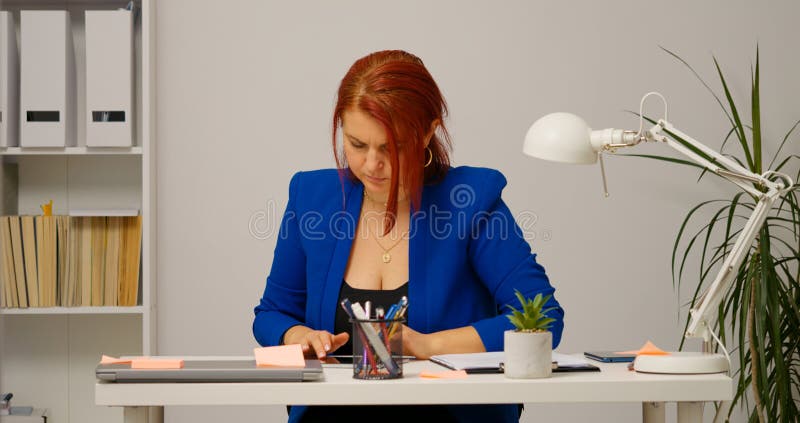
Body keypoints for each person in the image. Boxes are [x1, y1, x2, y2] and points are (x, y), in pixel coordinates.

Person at [253, 50, 564, 423]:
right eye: (356, 144)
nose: (372, 165)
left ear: (428, 132)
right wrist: (296, 335)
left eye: (392, 147)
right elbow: (271, 314)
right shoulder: (311, 198)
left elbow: (542, 316)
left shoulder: (471, 200)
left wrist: (426, 345)